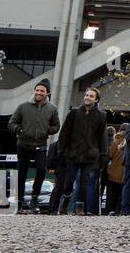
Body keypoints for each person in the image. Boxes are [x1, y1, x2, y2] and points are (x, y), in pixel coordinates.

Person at [7, 79, 60, 213]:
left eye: (42, 91)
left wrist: (48, 131)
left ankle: (34, 199)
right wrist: (19, 129)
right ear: (34, 91)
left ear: (47, 93)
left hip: (40, 145)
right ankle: (19, 202)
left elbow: (56, 125)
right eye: (37, 90)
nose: (39, 92)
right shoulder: (23, 107)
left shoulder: (52, 109)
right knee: (21, 173)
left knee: (42, 170)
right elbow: (11, 123)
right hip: (23, 144)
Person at [55, 87, 108, 215]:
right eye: (86, 95)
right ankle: (66, 200)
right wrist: (61, 150)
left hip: (90, 154)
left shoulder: (101, 115)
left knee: (85, 183)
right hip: (73, 153)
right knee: (69, 181)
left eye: (91, 96)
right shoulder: (74, 113)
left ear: (96, 99)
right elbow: (64, 133)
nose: (87, 97)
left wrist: (103, 155)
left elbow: (102, 137)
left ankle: (80, 206)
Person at [104, 125, 125, 215]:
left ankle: (110, 209)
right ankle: (120, 209)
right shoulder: (128, 141)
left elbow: (110, 155)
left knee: (112, 192)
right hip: (124, 170)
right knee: (122, 191)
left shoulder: (116, 141)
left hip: (114, 170)